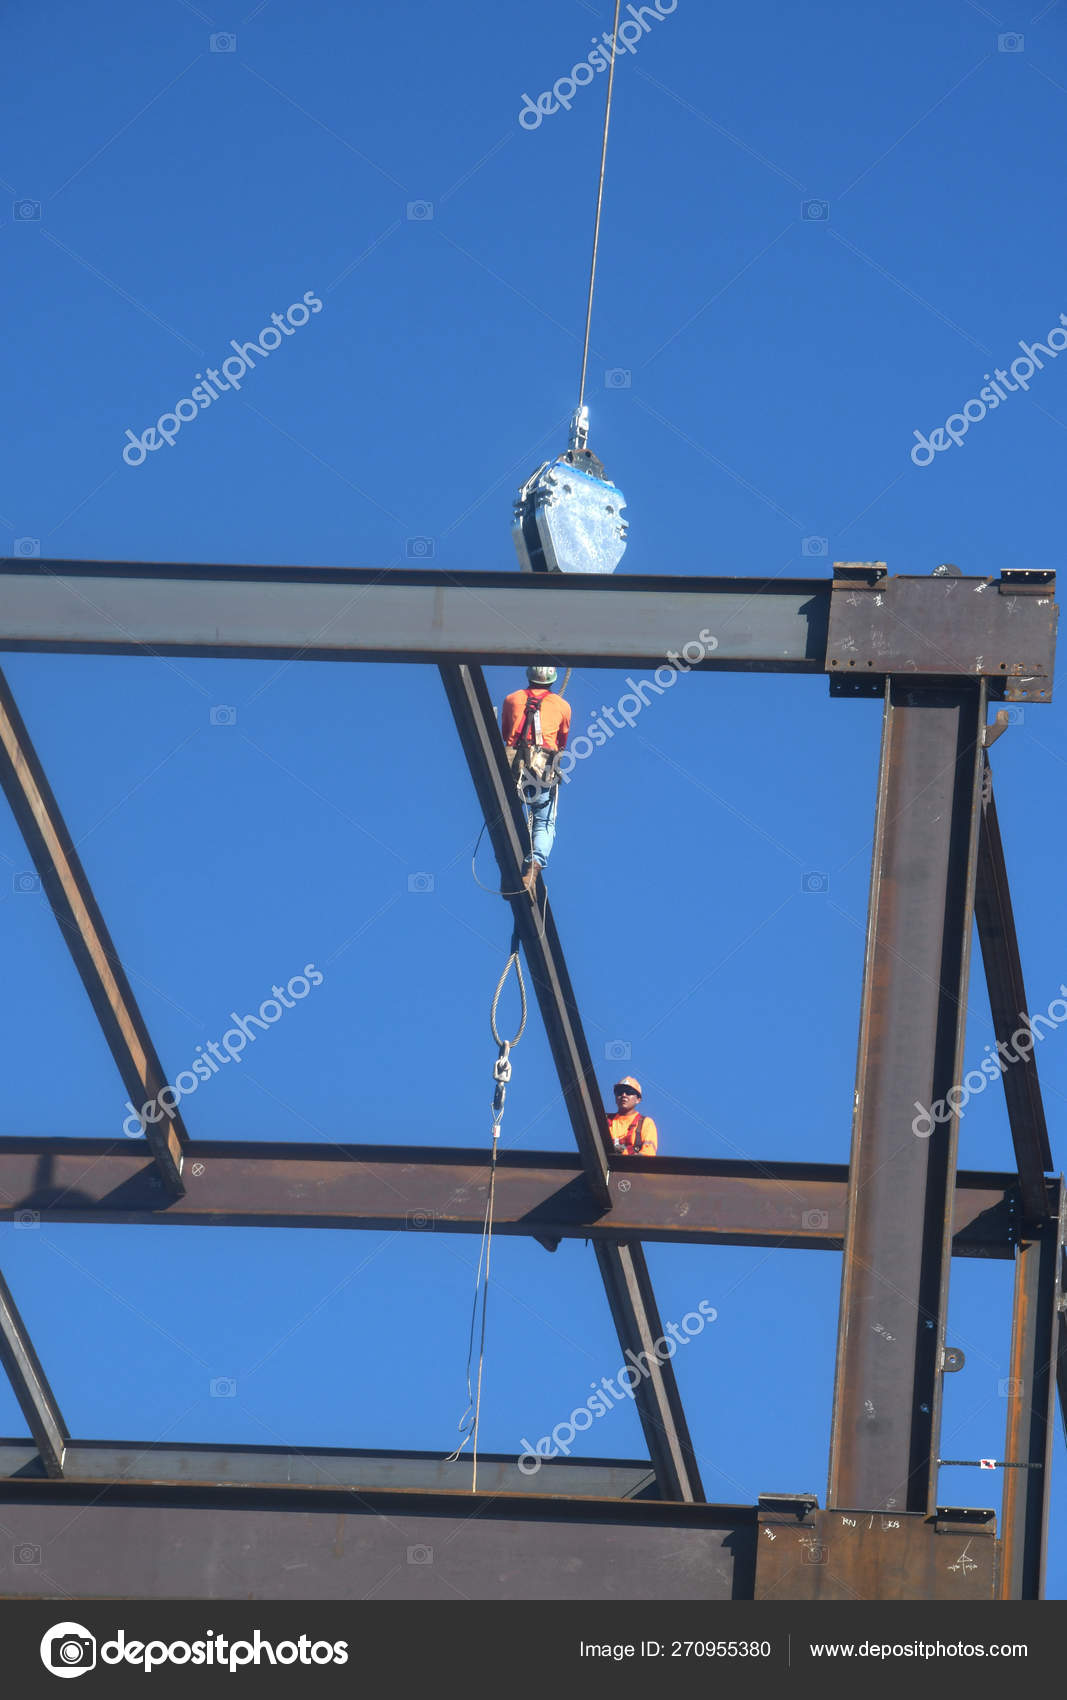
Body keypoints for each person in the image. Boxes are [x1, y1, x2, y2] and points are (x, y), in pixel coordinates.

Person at [500, 664, 572, 894]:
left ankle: (506, 868)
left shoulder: (512, 699)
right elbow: (561, 742)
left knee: (504, 814)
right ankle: (531, 873)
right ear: (552, 679)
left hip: (512, 766)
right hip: (542, 768)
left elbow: (505, 733)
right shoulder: (562, 706)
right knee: (543, 822)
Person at [607, 1076, 658, 1156]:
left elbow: (648, 1154)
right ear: (616, 1098)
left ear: (638, 1099)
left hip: (632, 1167)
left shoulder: (645, 1123)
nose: (624, 1095)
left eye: (629, 1092)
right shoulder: (604, 1120)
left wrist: (625, 1153)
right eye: (620, 1092)